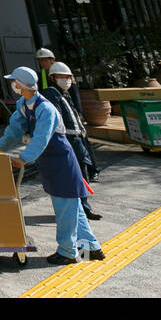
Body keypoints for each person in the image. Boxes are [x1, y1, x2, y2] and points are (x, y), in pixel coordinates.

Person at [0, 66, 104, 266]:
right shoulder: (24, 104)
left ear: (20, 84)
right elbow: (14, 129)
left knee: (65, 208)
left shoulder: (46, 109)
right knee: (73, 207)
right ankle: (91, 246)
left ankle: (68, 252)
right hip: (49, 162)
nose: (13, 85)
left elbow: (42, 138)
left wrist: (25, 157)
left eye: (14, 82)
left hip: (62, 161)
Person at [41, 61, 102, 221]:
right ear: (53, 78)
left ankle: (83, 207)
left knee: (82, 173)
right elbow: (56, 119)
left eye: (68, 77)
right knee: (72, 175)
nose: (66, 80)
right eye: (62, 77)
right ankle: (78, 210)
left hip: (77, 138)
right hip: (67, 140)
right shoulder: (51, 94)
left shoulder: (64, 93)